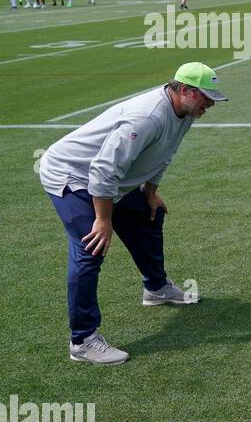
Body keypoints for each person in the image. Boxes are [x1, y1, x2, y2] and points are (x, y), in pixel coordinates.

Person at [38, 62, 227, 365]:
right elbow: (103, 169)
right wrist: (103, 219)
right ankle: (82, 340)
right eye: (206, 97)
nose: (210, 104)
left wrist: (150, 193)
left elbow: (165, 153)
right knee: (91, 248)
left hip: (108, 181)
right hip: (73, 176)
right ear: (186, 91)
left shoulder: (186, 112)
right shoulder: (147, 118)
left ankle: (156, 288)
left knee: (149, 215)